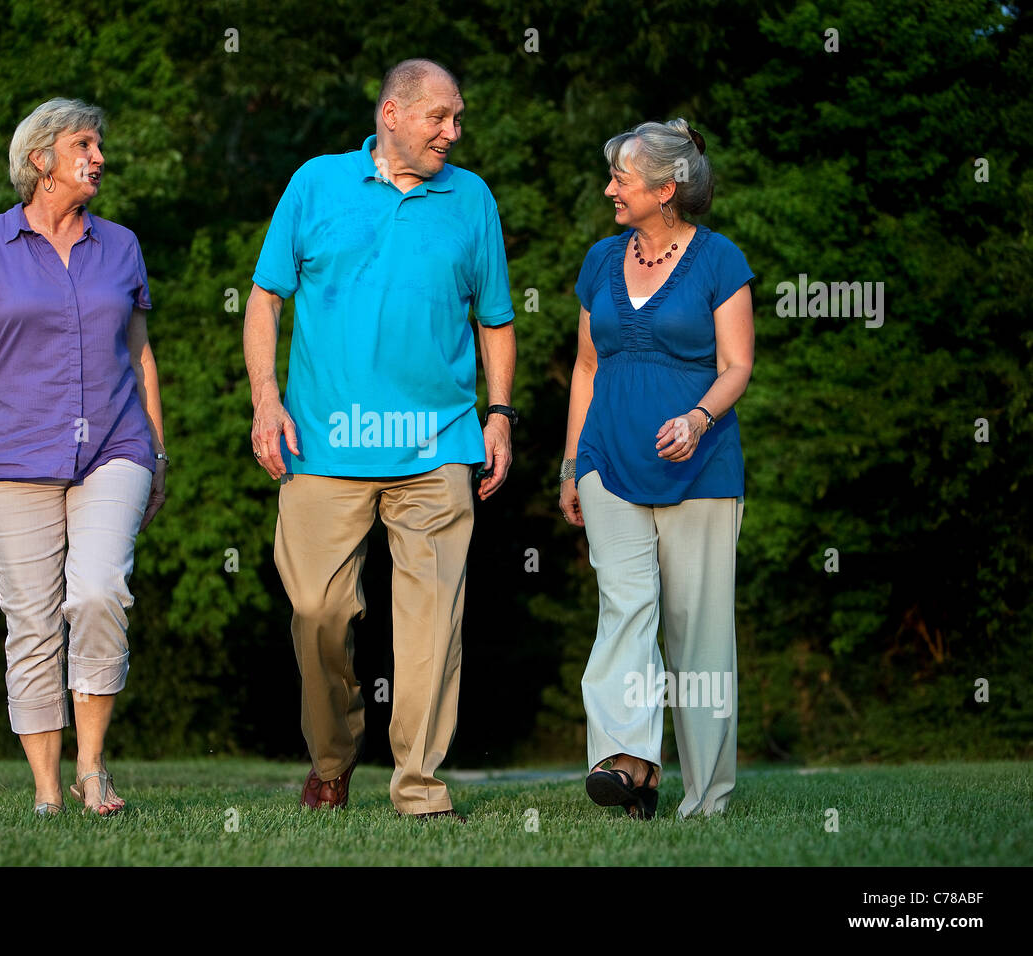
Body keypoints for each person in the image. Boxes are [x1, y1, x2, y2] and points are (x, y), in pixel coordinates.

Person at [243, 58, 517, 821]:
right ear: (391, 115)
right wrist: (266, 400)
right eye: (439, 118)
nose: (452, 133)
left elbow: (495, 319)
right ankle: (332, 758)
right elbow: (265, 299)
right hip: (322, 447)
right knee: (318, 613)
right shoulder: (317, 184)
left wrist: (499, 414)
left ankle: (418, 788)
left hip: (438, 446)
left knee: (434, 618)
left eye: (457, 119)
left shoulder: (471, 200)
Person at [0, 98, 168, 816]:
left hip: (116, 447)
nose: (99, 158)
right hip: (14, 455)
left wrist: (158, 449)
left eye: (98, 145)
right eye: (85, 145)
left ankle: (91, 770)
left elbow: (139, 352)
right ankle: (45, 792)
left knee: (98, 589)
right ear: (42, 160)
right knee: (31, 623)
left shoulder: (121, 245)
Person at [559, 118, 754, 820]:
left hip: (701, 467)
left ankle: (706, 799)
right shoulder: (600, 261)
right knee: (624, 607)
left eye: (622, 179)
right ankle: (629, 764)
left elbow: (737, 366)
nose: (610, 189)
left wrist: (698, 418)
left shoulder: (718, 260)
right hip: (607, 460)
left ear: (666, 190)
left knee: (697, 632)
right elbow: (586, 366)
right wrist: (571, 462)